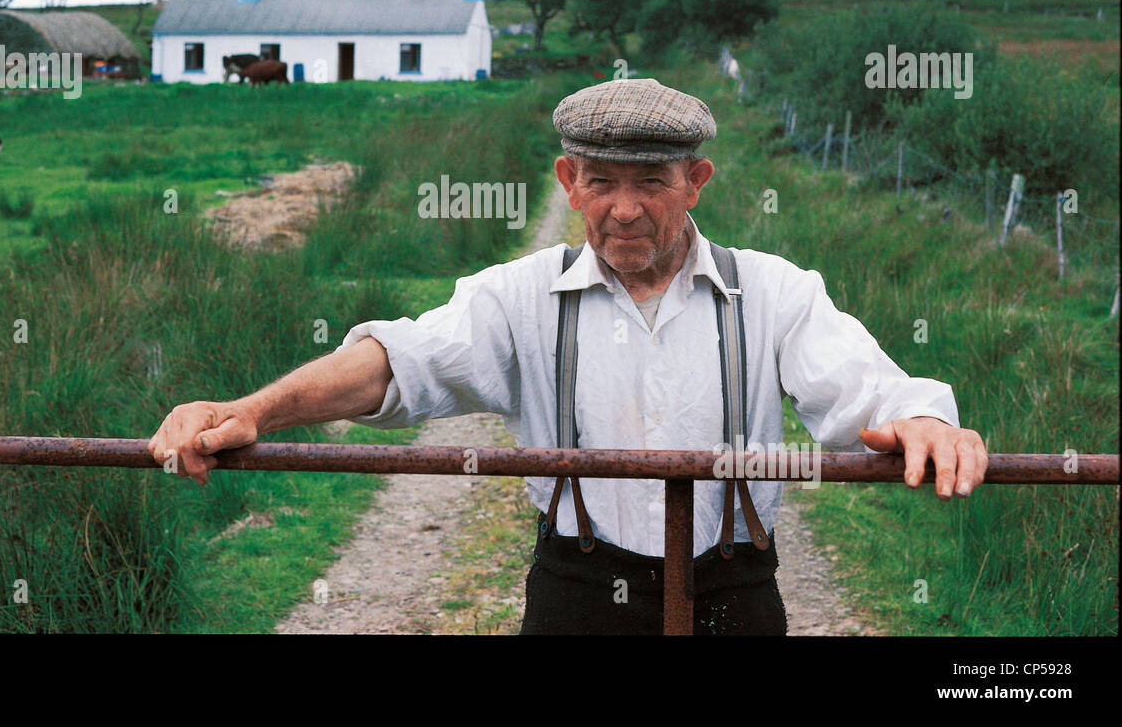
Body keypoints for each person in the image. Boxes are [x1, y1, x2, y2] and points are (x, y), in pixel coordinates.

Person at [148, 77, 989, 635]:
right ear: (566, 180)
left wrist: (921, 419)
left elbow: (867, 385)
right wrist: (253, 411)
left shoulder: (774, 291)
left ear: (697, 181)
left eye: (651, 181)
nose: (624, 209)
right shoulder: (516, 294)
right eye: (600, 181)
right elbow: (396, 361)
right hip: (576, 597)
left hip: (734, 596)